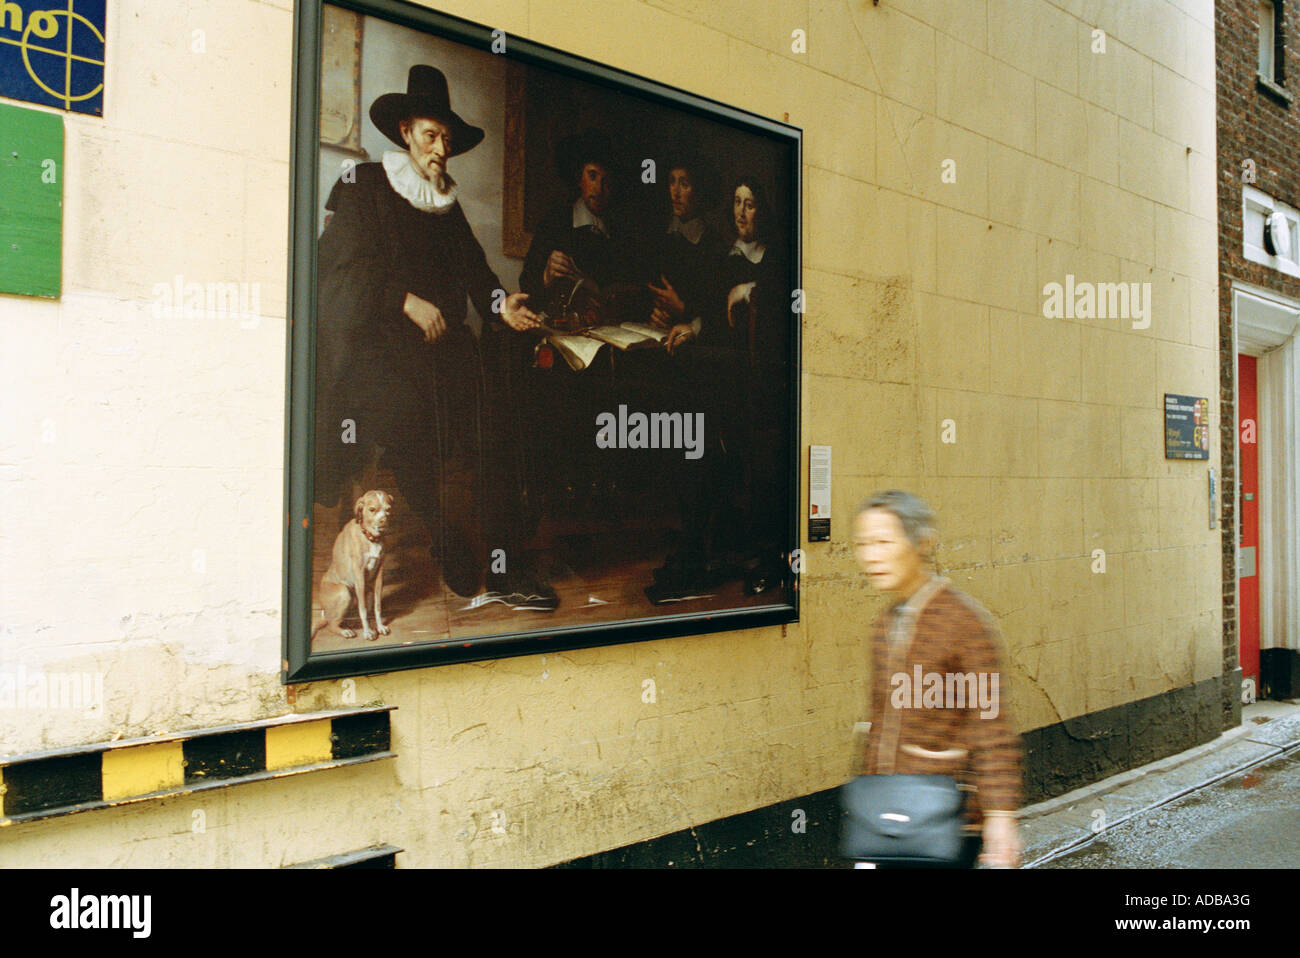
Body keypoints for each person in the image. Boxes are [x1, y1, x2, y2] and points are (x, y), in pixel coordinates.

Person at [313, 64, 557, 611]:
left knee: (493, 409)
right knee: (407, 419)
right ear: (405, 132)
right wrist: (403, 298)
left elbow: (478, 273)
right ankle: (446, 539)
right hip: (373, 351)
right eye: (431, 135)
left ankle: (502, 558)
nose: (441, 149)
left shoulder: (448, 206)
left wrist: (502, 304)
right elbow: (334, 272)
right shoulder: (365, 185)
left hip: (441, 349)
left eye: (447, 139)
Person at [851, 490, 1022, 868]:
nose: (870, 555)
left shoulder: (964, 624)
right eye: (863, 543)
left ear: (921, 543)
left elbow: (991, 727)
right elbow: (881, 723)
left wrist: (1000, 817)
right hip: (890, 816)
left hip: (947, 821)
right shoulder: (885, 624)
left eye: (883, 541)